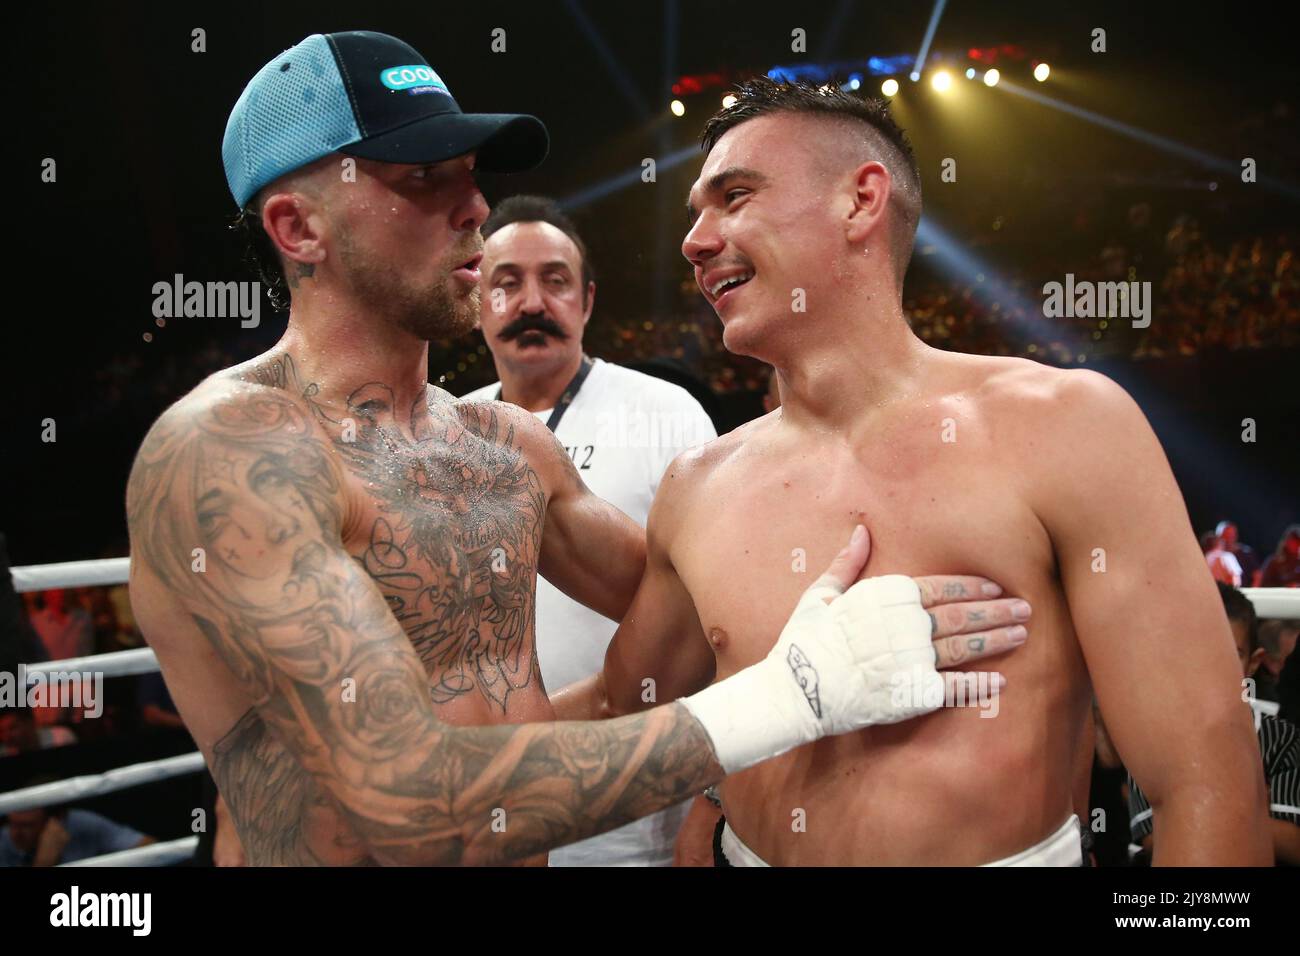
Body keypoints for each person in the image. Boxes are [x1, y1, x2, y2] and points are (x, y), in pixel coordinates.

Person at [126, 31, 1023, 866]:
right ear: (298, 229)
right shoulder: (231, 449)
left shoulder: (503, 448)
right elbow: (407, 805)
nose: (474, 206)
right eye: (424, 178)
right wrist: (789, 698)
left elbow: (713, 609)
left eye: (469, 174)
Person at [553, 78, 1270, 865]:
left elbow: (1203, 778)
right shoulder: (699, 485)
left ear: (860, 201)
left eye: (734, 196)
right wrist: (424, 749)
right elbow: (625, 702)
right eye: (696, 210)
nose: (694, 238)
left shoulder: (1063, 426)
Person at [463, 195, 716, 865]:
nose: (531, 302)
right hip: (487, 800)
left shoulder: (666, 414)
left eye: (555, 279)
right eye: (506, 282)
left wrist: (713, 804)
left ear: (588, 299)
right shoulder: (445, 429)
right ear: (474, 300)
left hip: (638, 801)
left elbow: (718, 617)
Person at [1128, 584, 1300, 865]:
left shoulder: (1280, 738)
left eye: (1230, 655)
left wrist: (1188, 810)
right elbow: (1153, 838)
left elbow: (1292, 844)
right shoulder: (1149, 737)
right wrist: (1251, 807)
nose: (1213, 668)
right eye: (1199, 653)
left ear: (1253, 662)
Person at [0, 784, 154, 866]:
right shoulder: (3, 843)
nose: (16, 833)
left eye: (27, 826)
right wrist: (44, 863)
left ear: (55, 821)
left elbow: (149, 847)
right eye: (12, 824)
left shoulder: (81, 824)